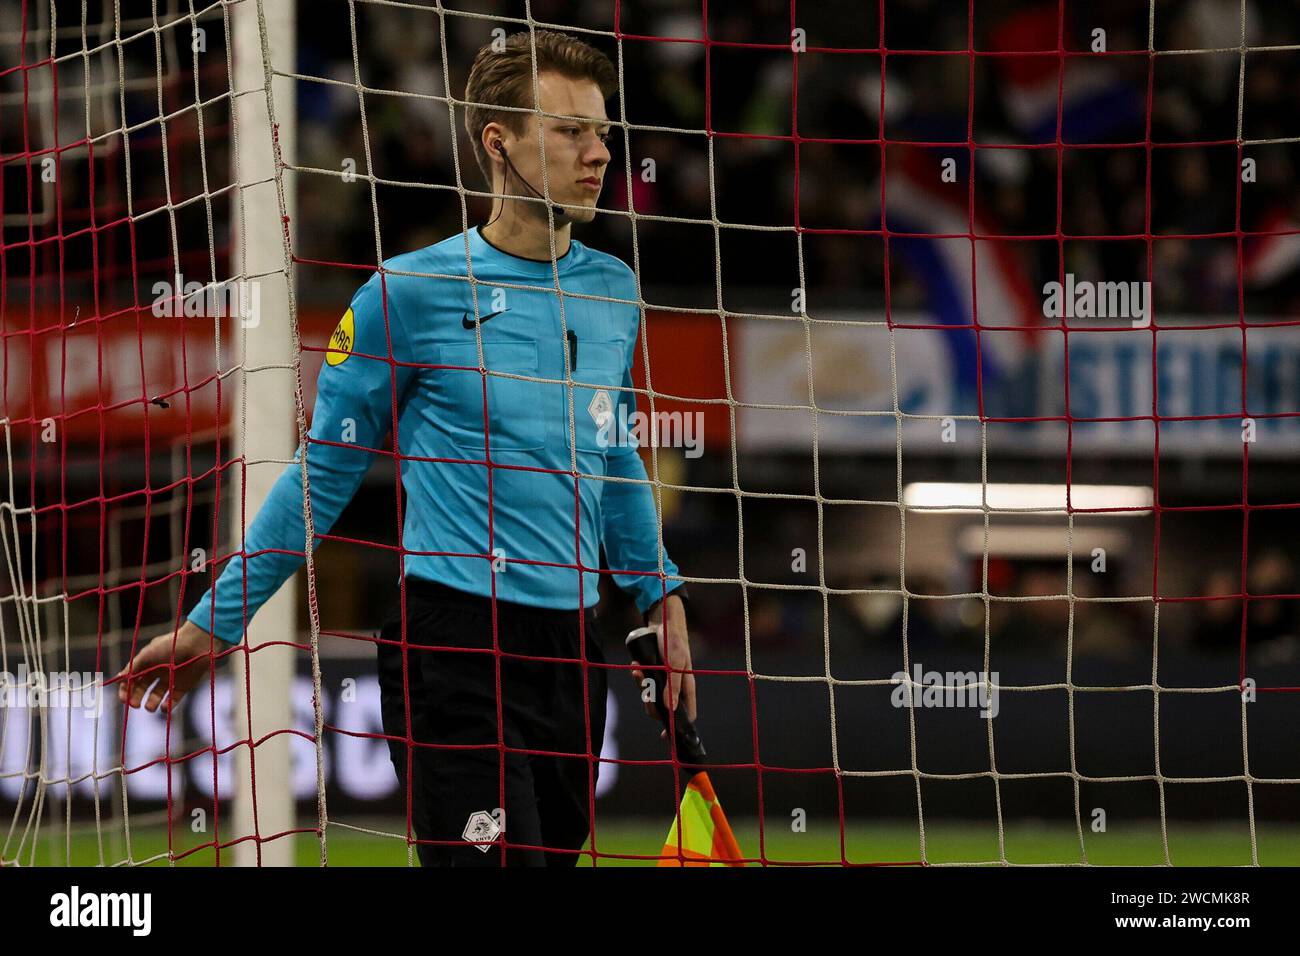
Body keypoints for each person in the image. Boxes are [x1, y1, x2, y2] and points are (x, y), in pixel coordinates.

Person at [117, 29, 694, 866]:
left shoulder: (614, 289)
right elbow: (323, 471)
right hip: (453, 645)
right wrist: (217, 623)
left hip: (572, 650)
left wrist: (659, 595)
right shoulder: (408, 294)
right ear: (499, 142)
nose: (599, 153)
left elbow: (616, 455)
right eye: (570, 131)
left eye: (602, 131)